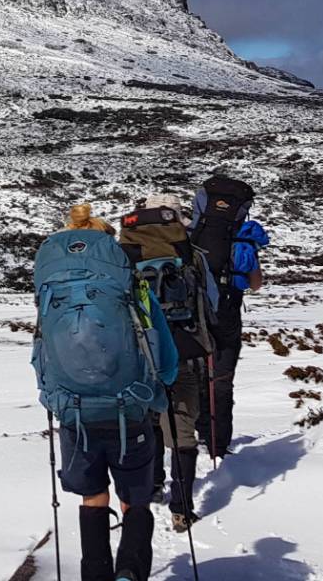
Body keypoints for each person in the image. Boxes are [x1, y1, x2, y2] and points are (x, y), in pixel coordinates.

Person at [32, 224, 175, 581]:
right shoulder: (134, 290)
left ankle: (96, 575)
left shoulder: (54, 293)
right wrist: (157, 391)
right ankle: (130, 572)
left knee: (93, 497)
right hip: (130, 409)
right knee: (135, 500)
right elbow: (166, 361)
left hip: (74, 412)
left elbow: (41, 353)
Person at [118, 195, 221, 533]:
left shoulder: (124, 256)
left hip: (141, 348)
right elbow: (211, 300)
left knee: (147, 416)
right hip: (184, 344)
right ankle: (181, 507)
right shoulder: (190, 255)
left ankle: (151, 485)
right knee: (181, 424)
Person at [189, 176, 269, 458]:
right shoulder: (242, 237)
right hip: (228, 312)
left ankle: (196, 433)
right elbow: (255, 283)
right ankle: (218, 444)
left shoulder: (192, 234)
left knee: (195, 373)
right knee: (221, 377)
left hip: (193, 313)